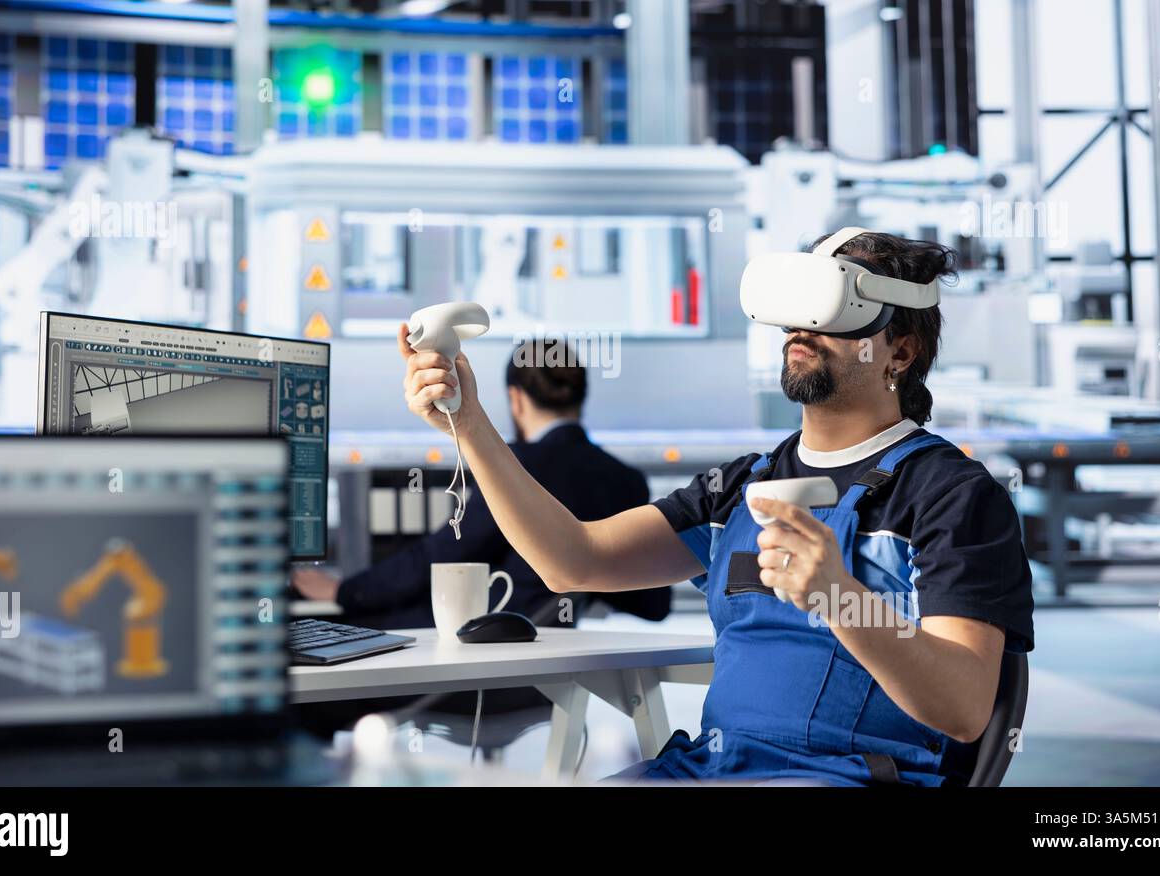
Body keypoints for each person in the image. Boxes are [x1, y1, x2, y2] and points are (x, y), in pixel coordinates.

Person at [398, 231, 1035, 786]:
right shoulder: (741, 486)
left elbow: (964, 706)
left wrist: (839, 596)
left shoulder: (952, 496)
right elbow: (574, 560)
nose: (801, 327)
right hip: (709, 770)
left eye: (835, 306)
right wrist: (470, 423)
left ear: (899, 351)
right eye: (796, 306)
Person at [292, 339, 669, 630]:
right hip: (554, 675)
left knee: (325, 645)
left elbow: (443, 555)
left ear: (515, 399)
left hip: (490, 656)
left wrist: (344, 590)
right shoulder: (625, 478)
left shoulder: (515, 465)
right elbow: (653, 605)